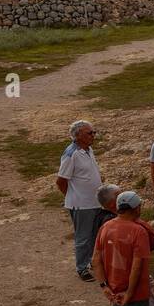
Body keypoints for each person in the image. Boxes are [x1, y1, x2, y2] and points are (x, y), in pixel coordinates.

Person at [57, 119, 102, 280]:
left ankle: (90, 262)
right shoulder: (71, 154)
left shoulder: (88, 150)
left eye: (93, 132)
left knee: (94, 235)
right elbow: (61, 180)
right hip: (81, 204)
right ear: (77, 136)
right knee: (83, 237)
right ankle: (81, 268)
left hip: (95, 202)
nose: (93, 135)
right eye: (89, 133)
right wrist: (72, 196)